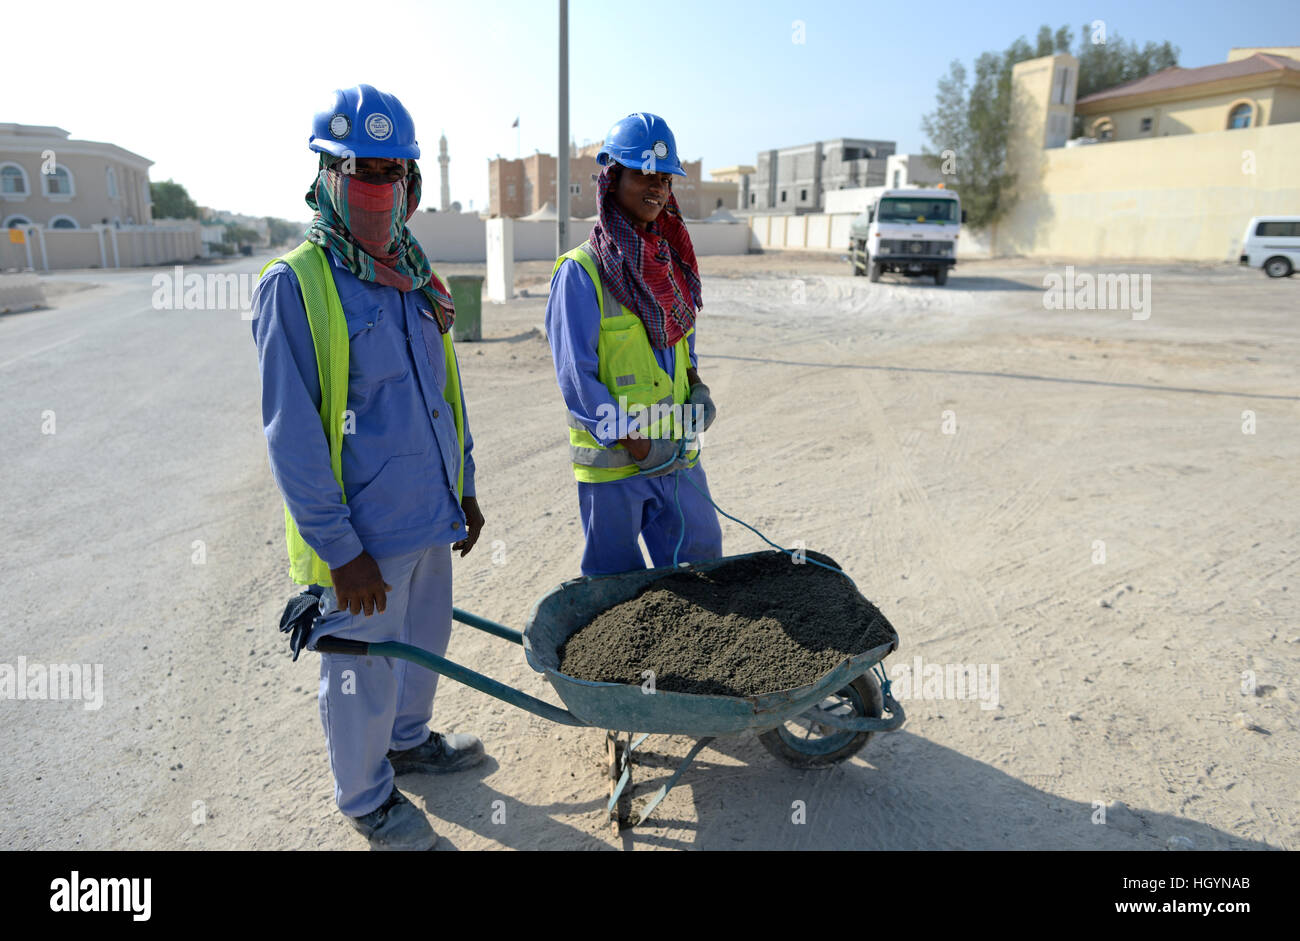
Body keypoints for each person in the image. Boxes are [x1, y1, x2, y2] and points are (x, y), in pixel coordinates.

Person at [251, 84, 485, 851]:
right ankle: (365, 795)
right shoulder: (296, 285)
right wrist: (341, 549)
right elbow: (293, 436)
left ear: (412, 185)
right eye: (364, 172)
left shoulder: (417, 276)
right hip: (362, 543)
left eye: (394, 173)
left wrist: (467, 485)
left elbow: (445, 393)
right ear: (326, 175)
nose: (380, 190)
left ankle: (409, 743)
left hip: (430, 516)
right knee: (359, 671)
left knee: (424, 645)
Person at [545, 112, 723, 577]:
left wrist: (697, 386)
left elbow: (682, 349)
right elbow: (576, 378)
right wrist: (640, 447)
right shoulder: (581, 273)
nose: (657, 187)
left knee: (703, 572)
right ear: (612, 177)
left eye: (664, 178)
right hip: (617, 473)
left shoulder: (671, 264)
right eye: (644, 172)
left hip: (678, 459)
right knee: (617, 597)